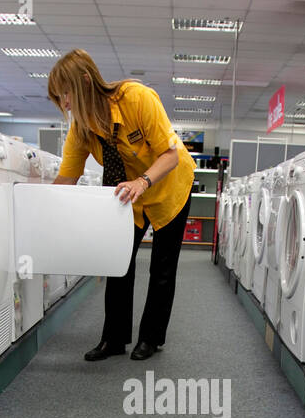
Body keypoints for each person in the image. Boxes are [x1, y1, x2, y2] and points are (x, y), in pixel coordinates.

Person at [49, 49, 196, 361]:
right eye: (59, 98)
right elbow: (67, 178)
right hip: (131, 197)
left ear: (85, 81)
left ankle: (151, 338)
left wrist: (143, 181)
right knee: (117, 263)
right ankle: (114, 339)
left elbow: (169, 155)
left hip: (170, 185)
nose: (64, 104)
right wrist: (31, 202)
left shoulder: (137, 98)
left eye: (65, 94)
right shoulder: (81, 130)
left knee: (162, 266)